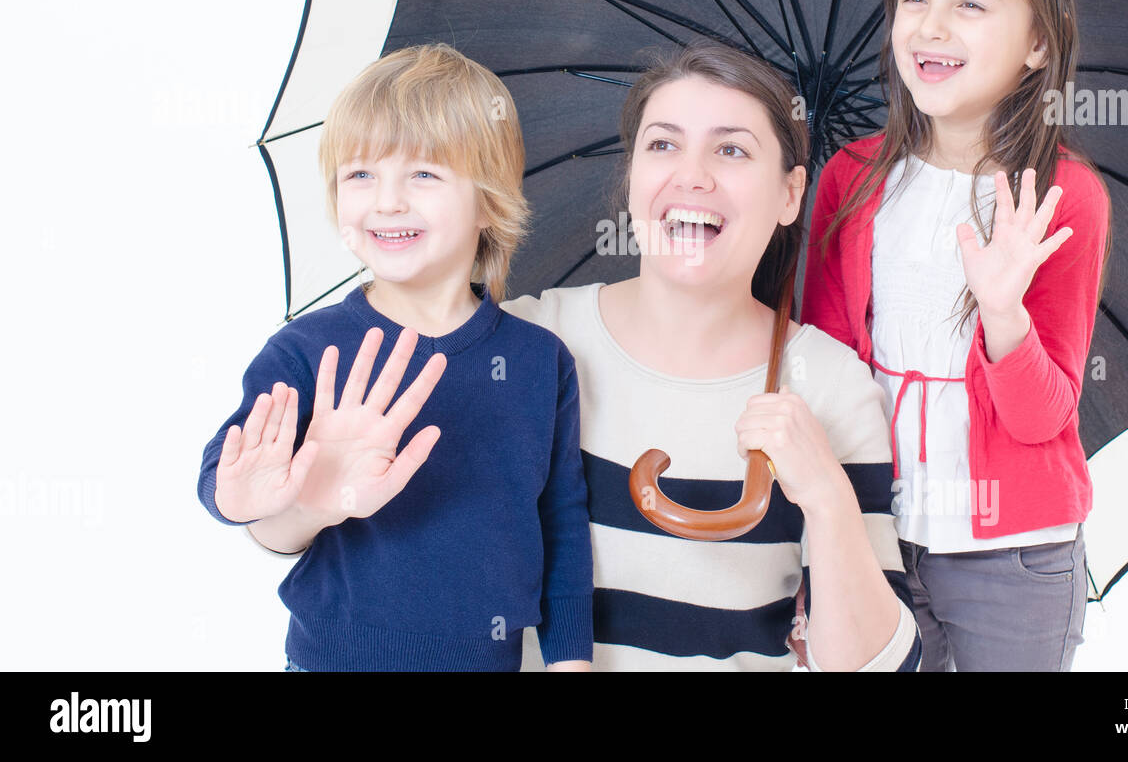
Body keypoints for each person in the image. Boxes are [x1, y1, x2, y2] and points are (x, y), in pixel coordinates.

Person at [502, 43, 921, 670]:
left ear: (790, 194)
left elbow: (874, 667)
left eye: (731, 150)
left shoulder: (831, 386)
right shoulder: (529, 341)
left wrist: (828, 498)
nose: (692, 175)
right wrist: (298, 520)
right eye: (663, 145)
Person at [195, 44, 593, 672]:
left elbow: (562, 522)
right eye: (360, 175)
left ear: (488, 200)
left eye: (424, 174)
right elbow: (229, 475)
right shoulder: (308, 349)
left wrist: (571, 661)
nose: (386, 201)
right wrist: (263, 498)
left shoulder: (540, 361)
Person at [801, 0, 1112, 671]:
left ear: (1038, 43)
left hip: (1010, 555)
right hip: (876, 534)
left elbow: (1045, 418)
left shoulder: (1063, 195)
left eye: (971, 3)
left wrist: (1004, 313)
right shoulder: (851, 178)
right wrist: (820, 542)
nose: (931, 26)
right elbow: (825, 375)